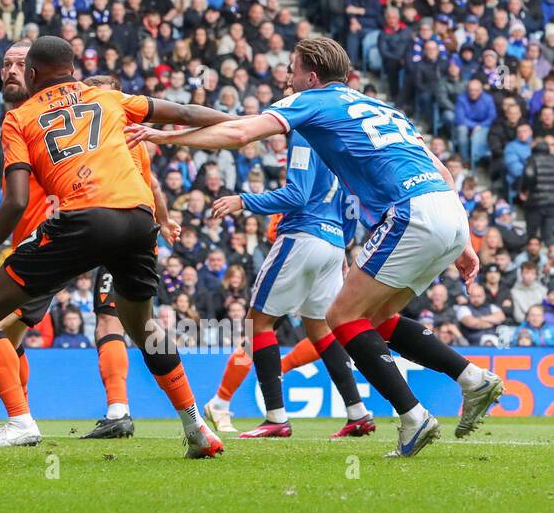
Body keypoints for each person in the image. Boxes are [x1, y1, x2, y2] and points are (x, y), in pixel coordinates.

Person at [127, 36, 504, 458]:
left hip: (407, 213)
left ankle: (413, 416)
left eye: (291, 68)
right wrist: (464, 242)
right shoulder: (379, 107)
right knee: (377, 318)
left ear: (311, 75)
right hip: (445, 210)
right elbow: (441, 170)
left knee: (340, 316)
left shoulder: (313, 102)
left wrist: (162, 138)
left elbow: (238, 133)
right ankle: (471, 377)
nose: (287, 76)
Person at [0, 35, 225, 460]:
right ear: (73, 66)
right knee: (142, 327)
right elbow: (186, 112)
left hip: (83, 222)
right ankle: (196, 427)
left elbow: (18, 199)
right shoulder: (107, 96)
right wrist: (249, 120)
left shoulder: (20, 117)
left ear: (32, 73)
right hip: (138, 219)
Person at [201, 131, 375, 439]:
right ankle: (357, 413)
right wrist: (345, 248)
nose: (287, 90)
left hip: (303, 238)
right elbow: (353, 207)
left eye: (289, 84)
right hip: (334, 245)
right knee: (322, 330)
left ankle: (274, 417)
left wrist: (243, 200)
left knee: (257, 327)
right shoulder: (346, 150)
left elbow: (296, 195)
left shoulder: (306, 134)